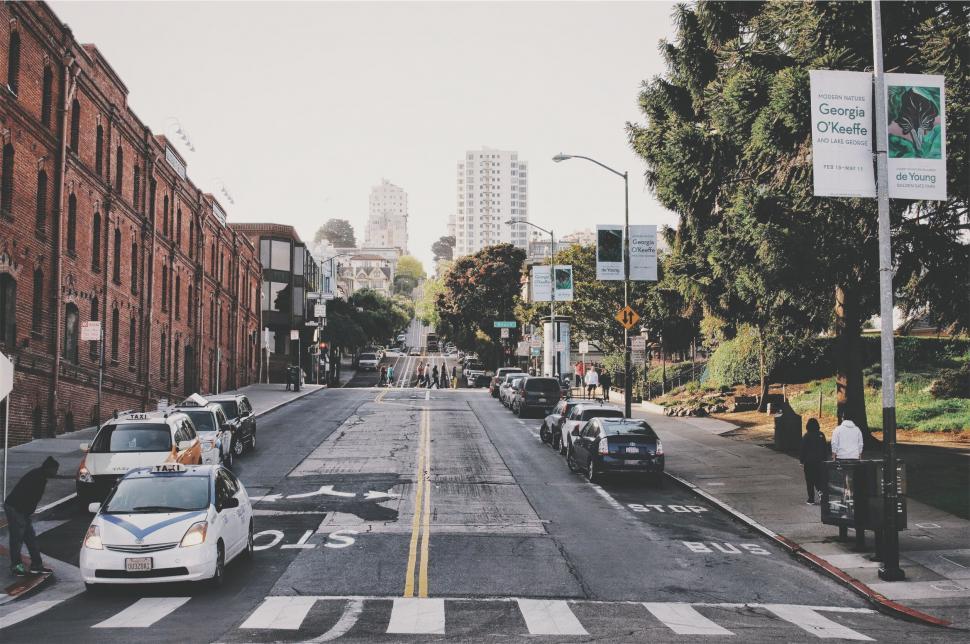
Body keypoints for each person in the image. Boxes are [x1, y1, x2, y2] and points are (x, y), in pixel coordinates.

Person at [4, 456, 59, 576]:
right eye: (54, 470)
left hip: (22, 510)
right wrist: (24, 514)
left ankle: (37, 565)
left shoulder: (40, 476)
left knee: (30, 538)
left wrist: (26, 514)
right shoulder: (37, 478)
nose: (55, 473)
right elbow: (26, 497)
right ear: (48, 469)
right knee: (17, 539)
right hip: (15, 508)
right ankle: (16, 566)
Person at [799, 418, 828, 504]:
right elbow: (825, 448)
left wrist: (801, 461)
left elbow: (803, 449)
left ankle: (811, 499)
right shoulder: (821, 435)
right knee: (819, 479)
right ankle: (821, 494)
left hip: (809, 462)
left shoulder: (806, 436)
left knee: (809, 481)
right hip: (820, 461)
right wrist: (825, 459)